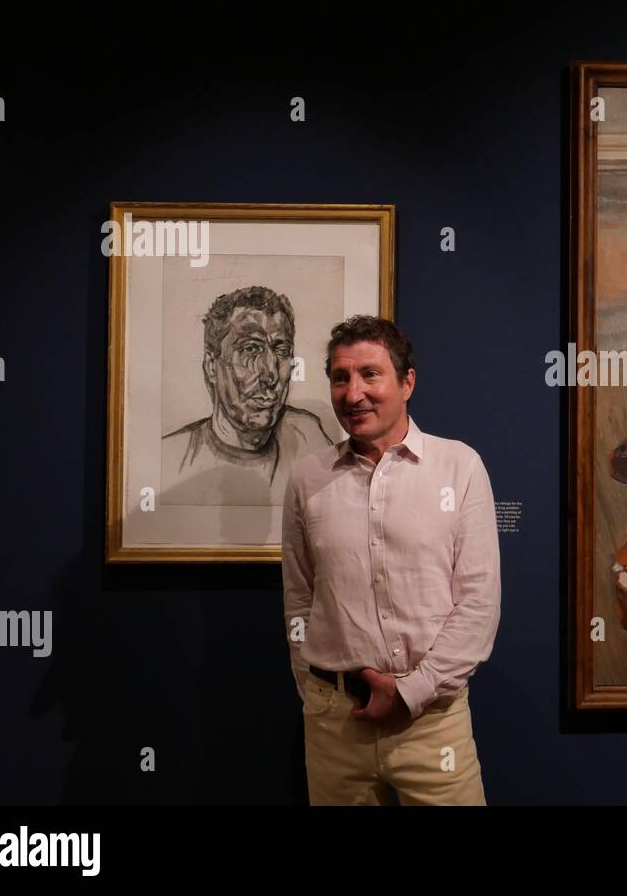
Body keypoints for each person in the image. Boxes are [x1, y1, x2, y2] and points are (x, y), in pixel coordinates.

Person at [281, 315, 500, 805]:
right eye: (340, 378)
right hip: (335, 727)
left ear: (408, 382)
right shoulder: (306, 479)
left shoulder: (459, 467)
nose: (353, 393)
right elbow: (299, 598)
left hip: (431, 724)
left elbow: (478, 604)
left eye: (370, 375)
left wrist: (411, 692)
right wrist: (316, 695)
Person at [161, 285, 332, 504]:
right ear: (212, 366)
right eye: (251, 349)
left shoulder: (308, 437)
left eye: (281, 351)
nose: (270, 372)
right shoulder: (172, 460)